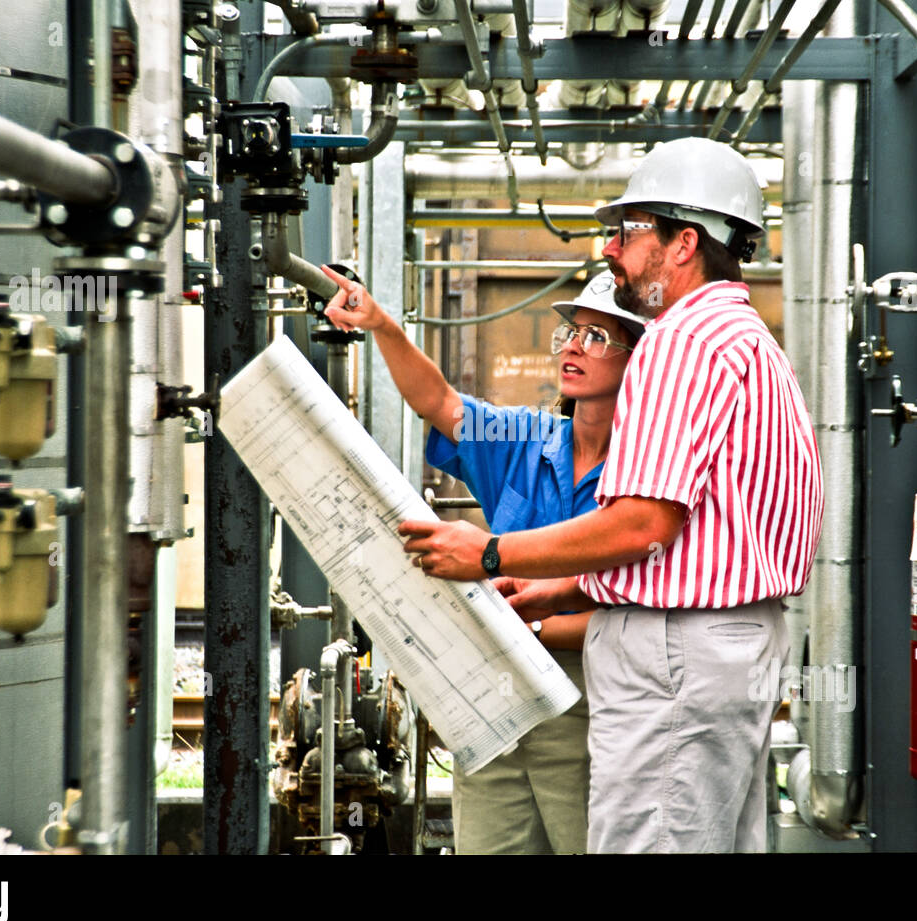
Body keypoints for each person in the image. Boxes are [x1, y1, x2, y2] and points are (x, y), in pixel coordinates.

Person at [397, 137, 825, 854]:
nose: (610, 251)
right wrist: (565, 590)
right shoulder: (745, 342)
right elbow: (701, 533)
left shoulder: (678, 341)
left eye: (627, 233)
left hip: (675, 659)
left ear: (683, 243)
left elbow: (644, 524)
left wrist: (492, 551)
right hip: (723, 649)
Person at [318, 265, 648, 854]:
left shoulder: (649, 475)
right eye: (571, 333)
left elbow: (646, 611)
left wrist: (540, 625)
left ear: (640, 360)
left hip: (588, 697)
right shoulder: (522, 441)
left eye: (597, 337)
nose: (573, 345)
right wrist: (380, 325)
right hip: (493, 695)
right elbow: (439, 402)